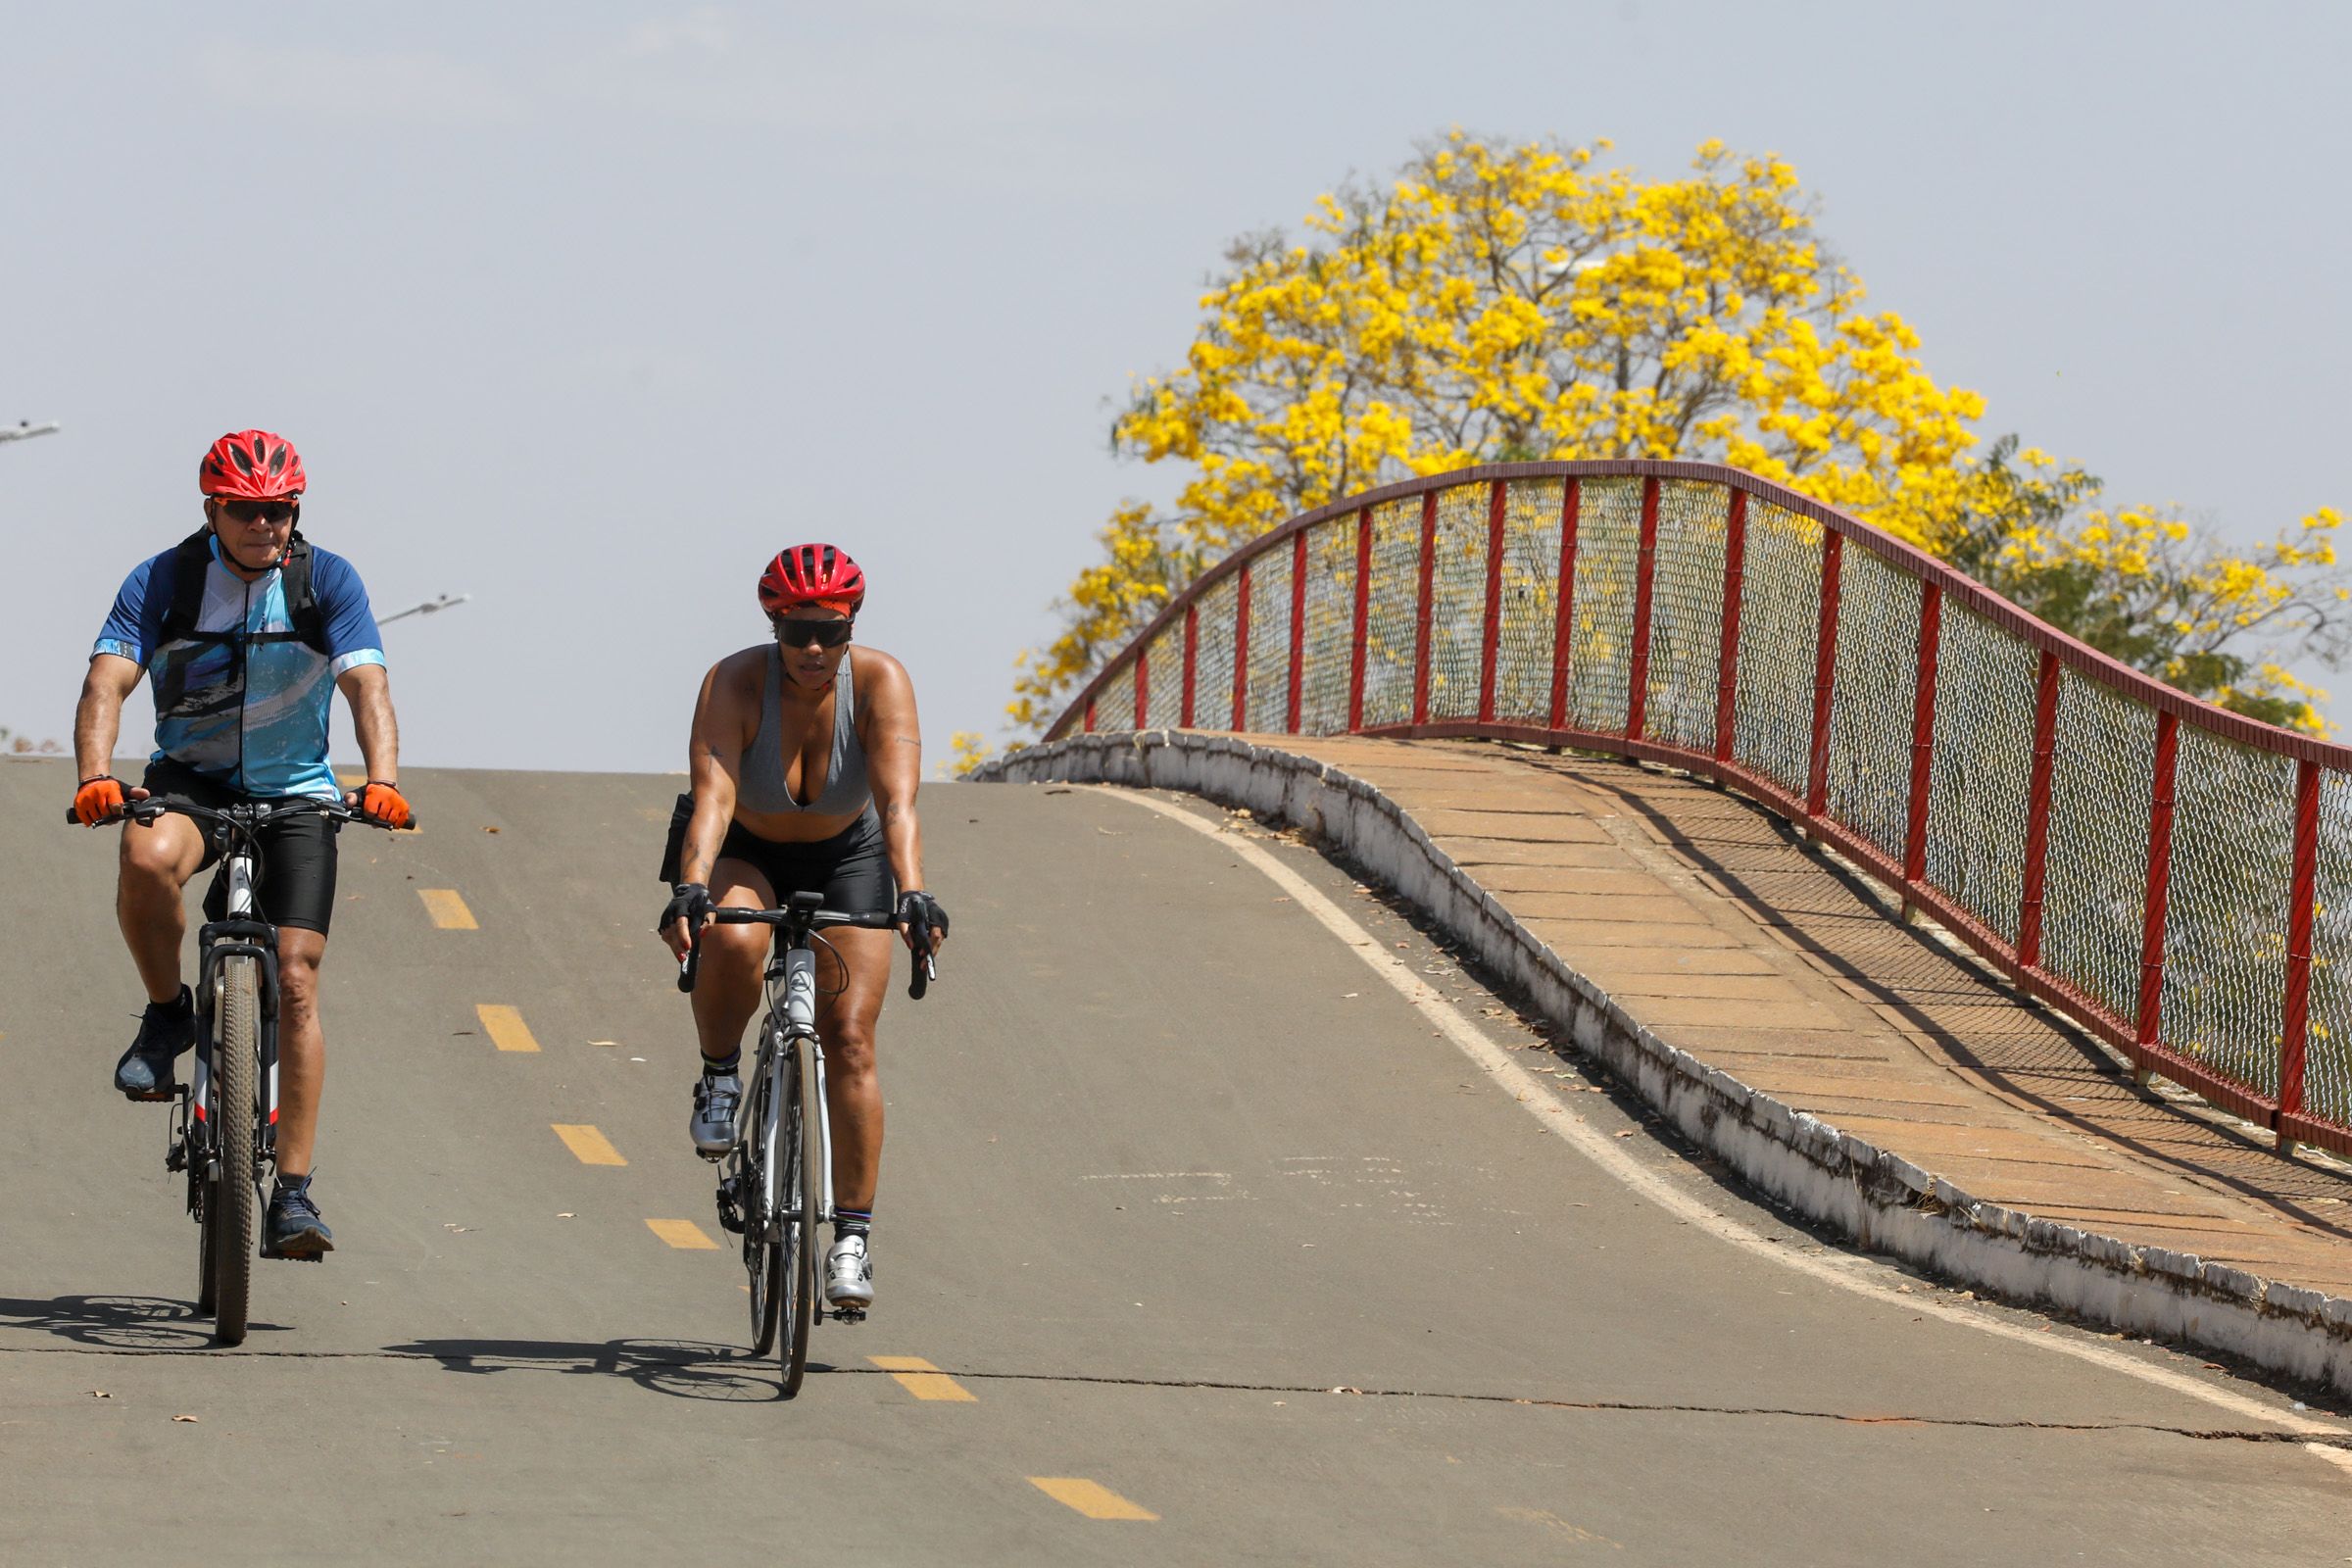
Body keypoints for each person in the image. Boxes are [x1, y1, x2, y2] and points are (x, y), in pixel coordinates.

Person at [70, 428, 412, 1260]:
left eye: (279, 510)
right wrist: (94, 773)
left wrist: (384, 777)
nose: (264, 525)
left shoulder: (325, 579)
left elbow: (366, 681)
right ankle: (166, 1019)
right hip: (194, 779)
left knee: (295, 978)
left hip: (297, 789)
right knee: (146, 858)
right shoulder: (166, 579)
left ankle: (292, 1193)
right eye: (246, 511)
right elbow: (108, 680)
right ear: (213, 510)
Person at [658, 543, 947, 1311]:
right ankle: (721, 1072)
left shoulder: (880, 682)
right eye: (795, 632)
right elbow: (713, 797)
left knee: (850, 1034)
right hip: (742, 847)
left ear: (852, 625)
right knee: (739, 935)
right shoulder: (734, 680)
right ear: (772, 626)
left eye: (829, 630)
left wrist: (914, 895)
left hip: (848, 853)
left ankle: (851, 1238)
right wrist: (691, 887)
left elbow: (898, 807)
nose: (813, 650)